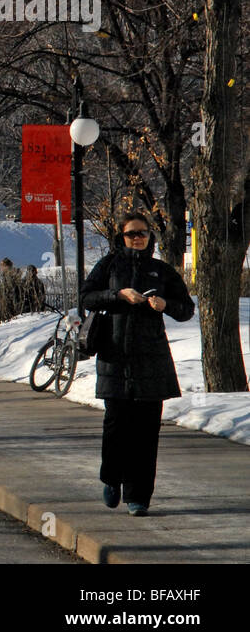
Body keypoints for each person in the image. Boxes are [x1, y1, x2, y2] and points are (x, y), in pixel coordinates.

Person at [81, 212, 194, 517]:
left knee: (146, 434)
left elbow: (186, 309)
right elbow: (87, 298)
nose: (138, 238)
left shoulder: (161, 271)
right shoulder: (109, 265)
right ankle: (111, 478)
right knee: (115, 427)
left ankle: (138, 496)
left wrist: (166, 305)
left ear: (150, 237)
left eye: (143, 233)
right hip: (114, 358)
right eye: (132, 234)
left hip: (151, 362)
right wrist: (117, 295)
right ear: (121, 236)